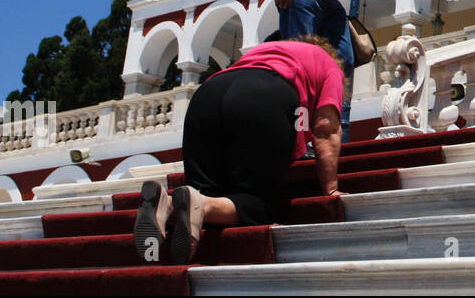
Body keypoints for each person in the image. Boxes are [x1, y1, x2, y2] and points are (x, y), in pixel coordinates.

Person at [135, 36, 345, 265]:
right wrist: (331, 190)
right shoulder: (329, 65)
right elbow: (326, 128)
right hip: (264, 94)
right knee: (258, 204)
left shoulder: (267, 50)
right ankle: (202, 205)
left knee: (206, 193)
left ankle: (167, 205)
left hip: (208, 94)